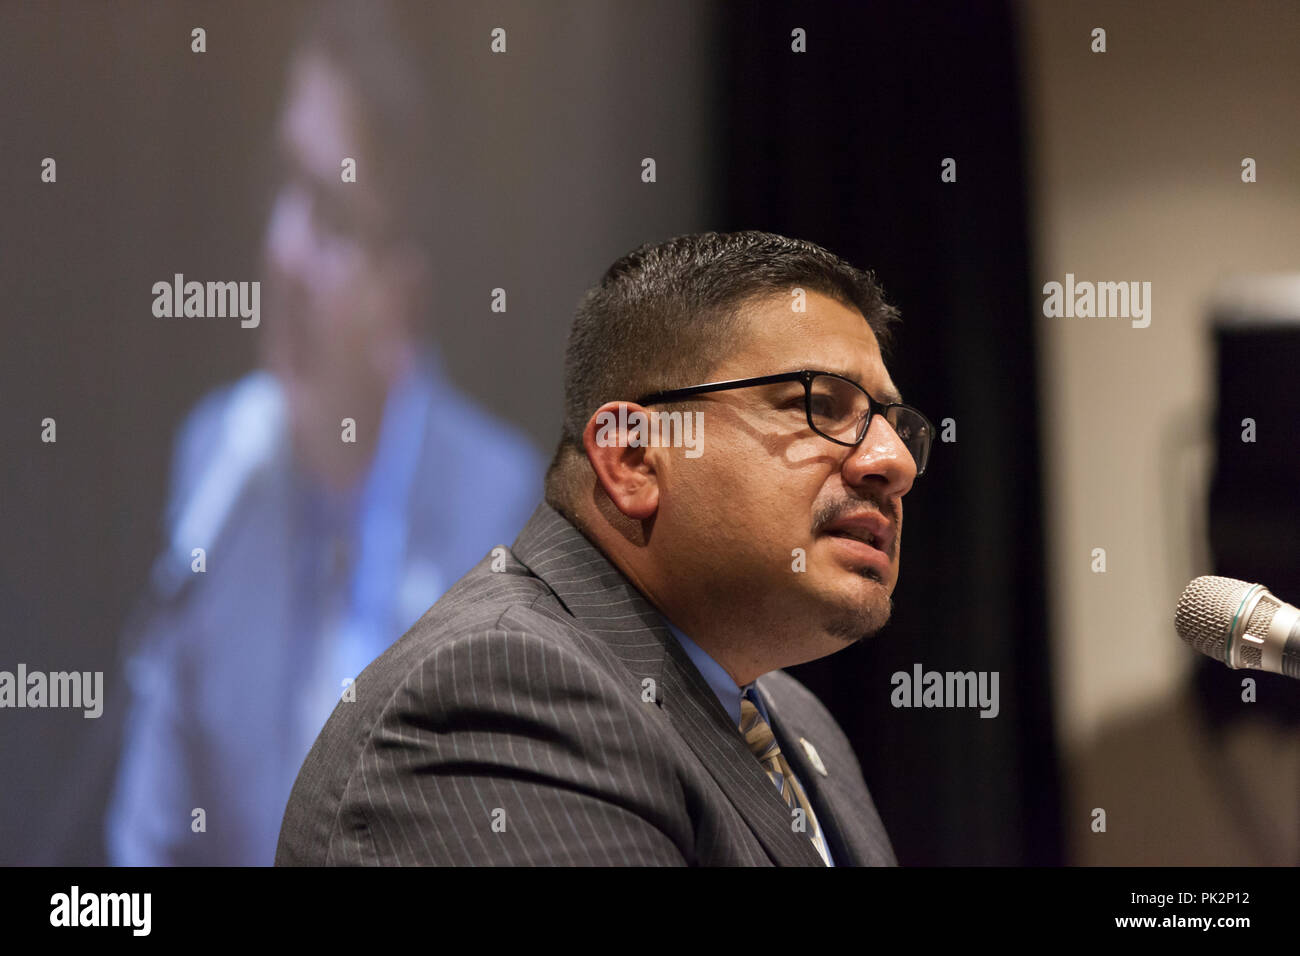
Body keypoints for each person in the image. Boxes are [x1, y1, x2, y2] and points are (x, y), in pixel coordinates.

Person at [277, 230, 932, 866]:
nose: (893, 460)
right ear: (631, 459)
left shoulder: (798, 720)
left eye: (893, 424)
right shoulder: (502, 694)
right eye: (818, 404)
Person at [105, 2, 543, 865]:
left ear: (404, 299)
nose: (282, 253)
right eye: (283, 188)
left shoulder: (500, 519)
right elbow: (144, 847)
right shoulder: (217, 465)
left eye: (333, 219)